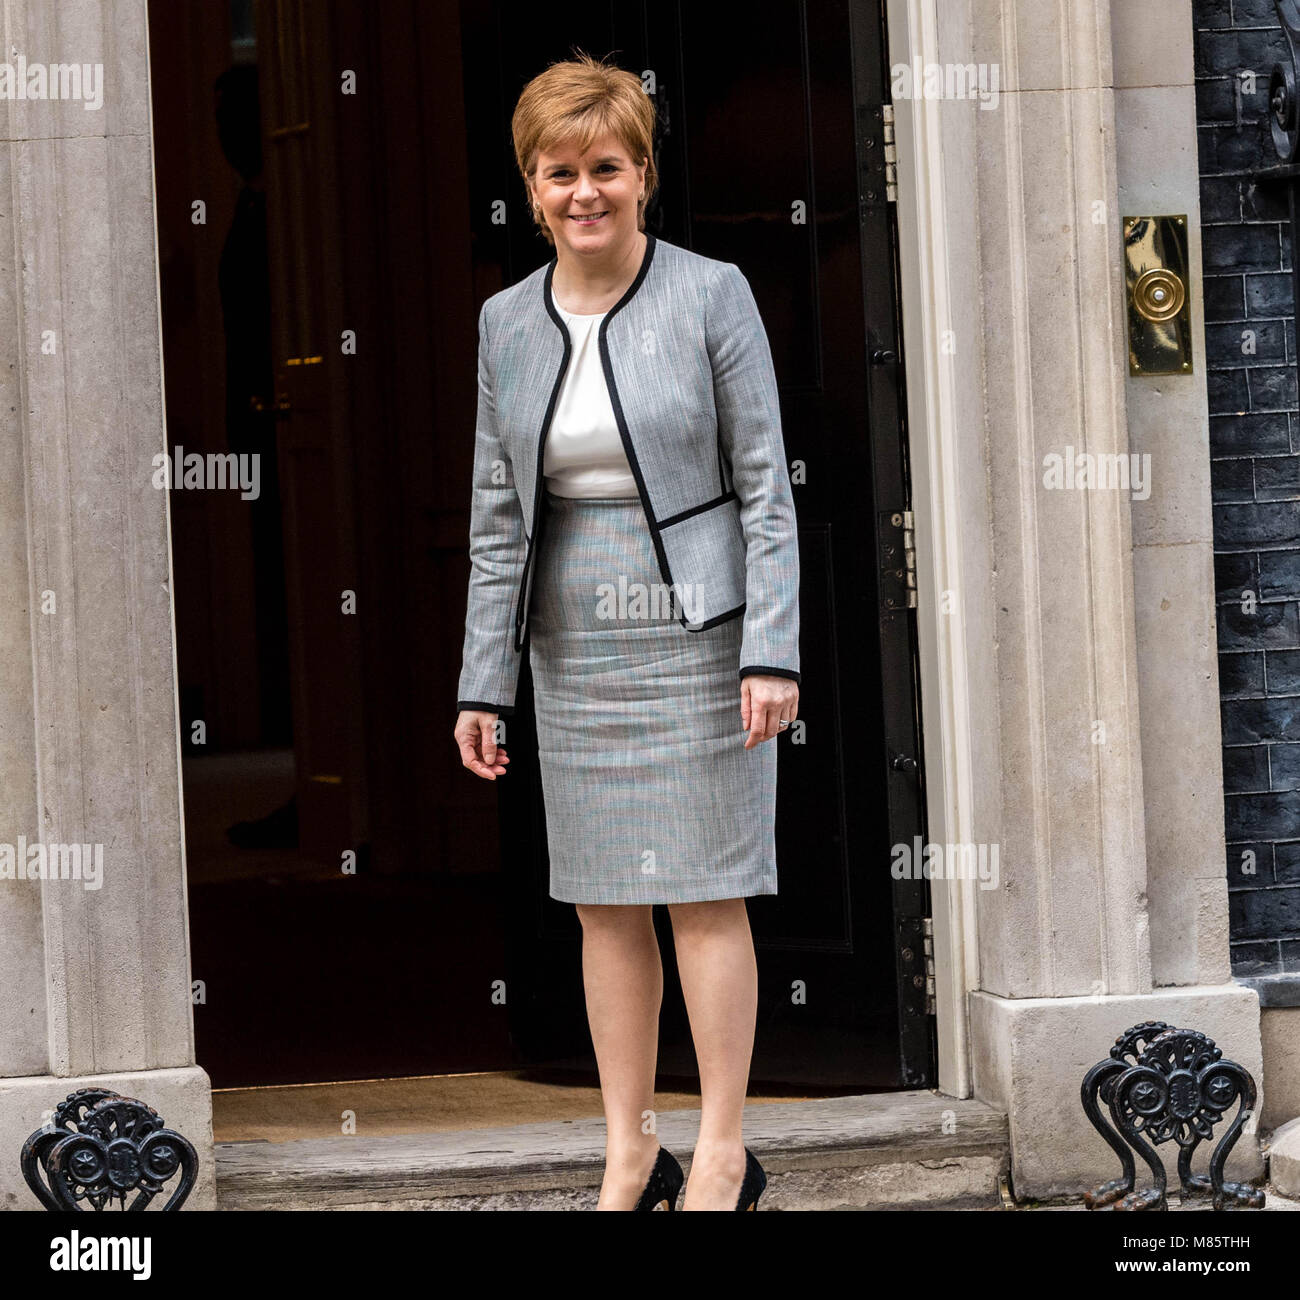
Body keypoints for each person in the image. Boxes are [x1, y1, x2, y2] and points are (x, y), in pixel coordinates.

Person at [453, 51, 799, 1211]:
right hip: (573, 641)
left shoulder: (712, 294)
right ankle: (626, 1149)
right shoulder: (505, 322)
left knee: (705, 894)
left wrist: (771, 650)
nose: (583, 191)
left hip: (701, 634)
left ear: (644, 173)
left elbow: (765, 489)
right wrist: (481, 684)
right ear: (531, 185)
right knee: (604, 905)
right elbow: (497, 519)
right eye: (560, 172)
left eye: (606, 166)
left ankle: (721, 1150)